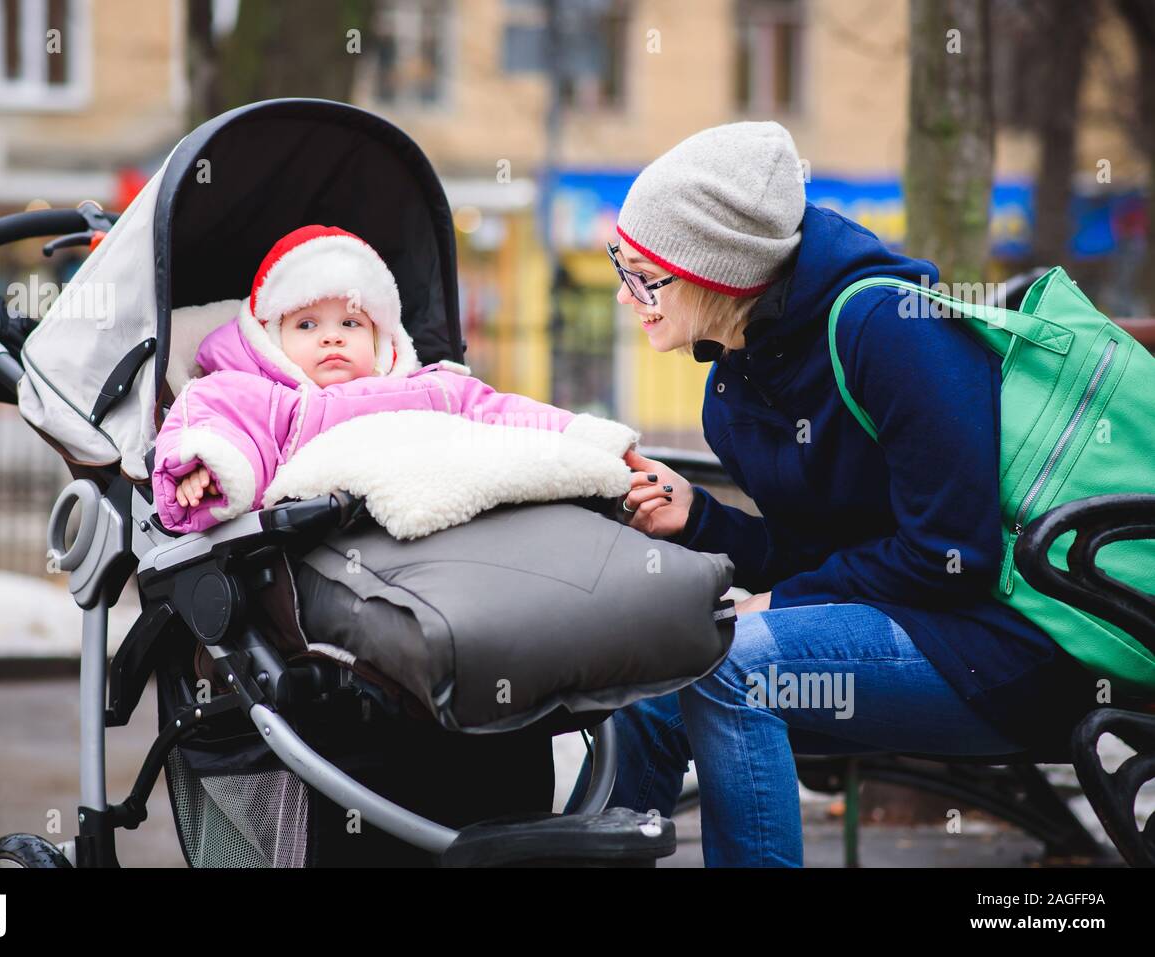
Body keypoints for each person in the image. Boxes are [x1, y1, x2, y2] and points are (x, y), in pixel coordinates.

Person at [565, 120, 1098, 866]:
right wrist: (704, 520)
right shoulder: (733, 387)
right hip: (905, 639)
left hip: (1015, 645)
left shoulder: (887, 329)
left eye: (644, 276)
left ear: (719, 269)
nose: (629, 299)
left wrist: (773, 608)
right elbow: (823, 560)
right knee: (650, 688)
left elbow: (952, 554)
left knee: (733, 665)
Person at [152, 224, 634, 533]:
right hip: (345, 536)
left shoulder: (431, 387)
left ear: (382, 340)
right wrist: (209, 468)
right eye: (306, 325)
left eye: (351, 324)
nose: (331, 339)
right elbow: (219, 425)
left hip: (457, 512)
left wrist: (583, 436)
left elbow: (505, 413)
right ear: (271, 341)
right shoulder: (263, 397)